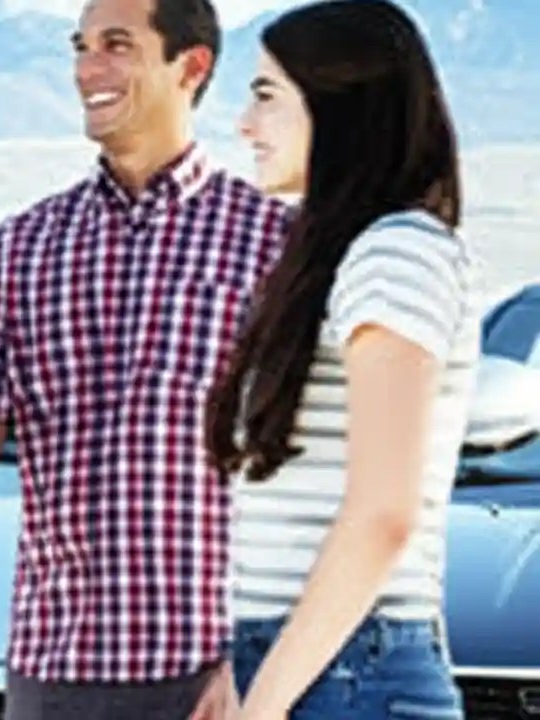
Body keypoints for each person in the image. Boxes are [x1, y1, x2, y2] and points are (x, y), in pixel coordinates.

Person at [0, 0, 291, 716]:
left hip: (220, 672)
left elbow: (320, 465)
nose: (86, 70)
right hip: (59, 667)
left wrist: (264, 666)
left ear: (190, 66)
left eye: (116, 45)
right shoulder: (26, 244)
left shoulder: (273, 243)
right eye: (79, 47)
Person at [204, 1, 478, 718]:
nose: (244, 123)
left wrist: (263, 705)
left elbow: (383, 513)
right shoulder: (338, 253)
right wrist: (240, 680)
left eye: (266, 95)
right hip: (308, 664)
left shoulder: (396, 254)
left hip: (355, 675)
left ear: (339, 107)